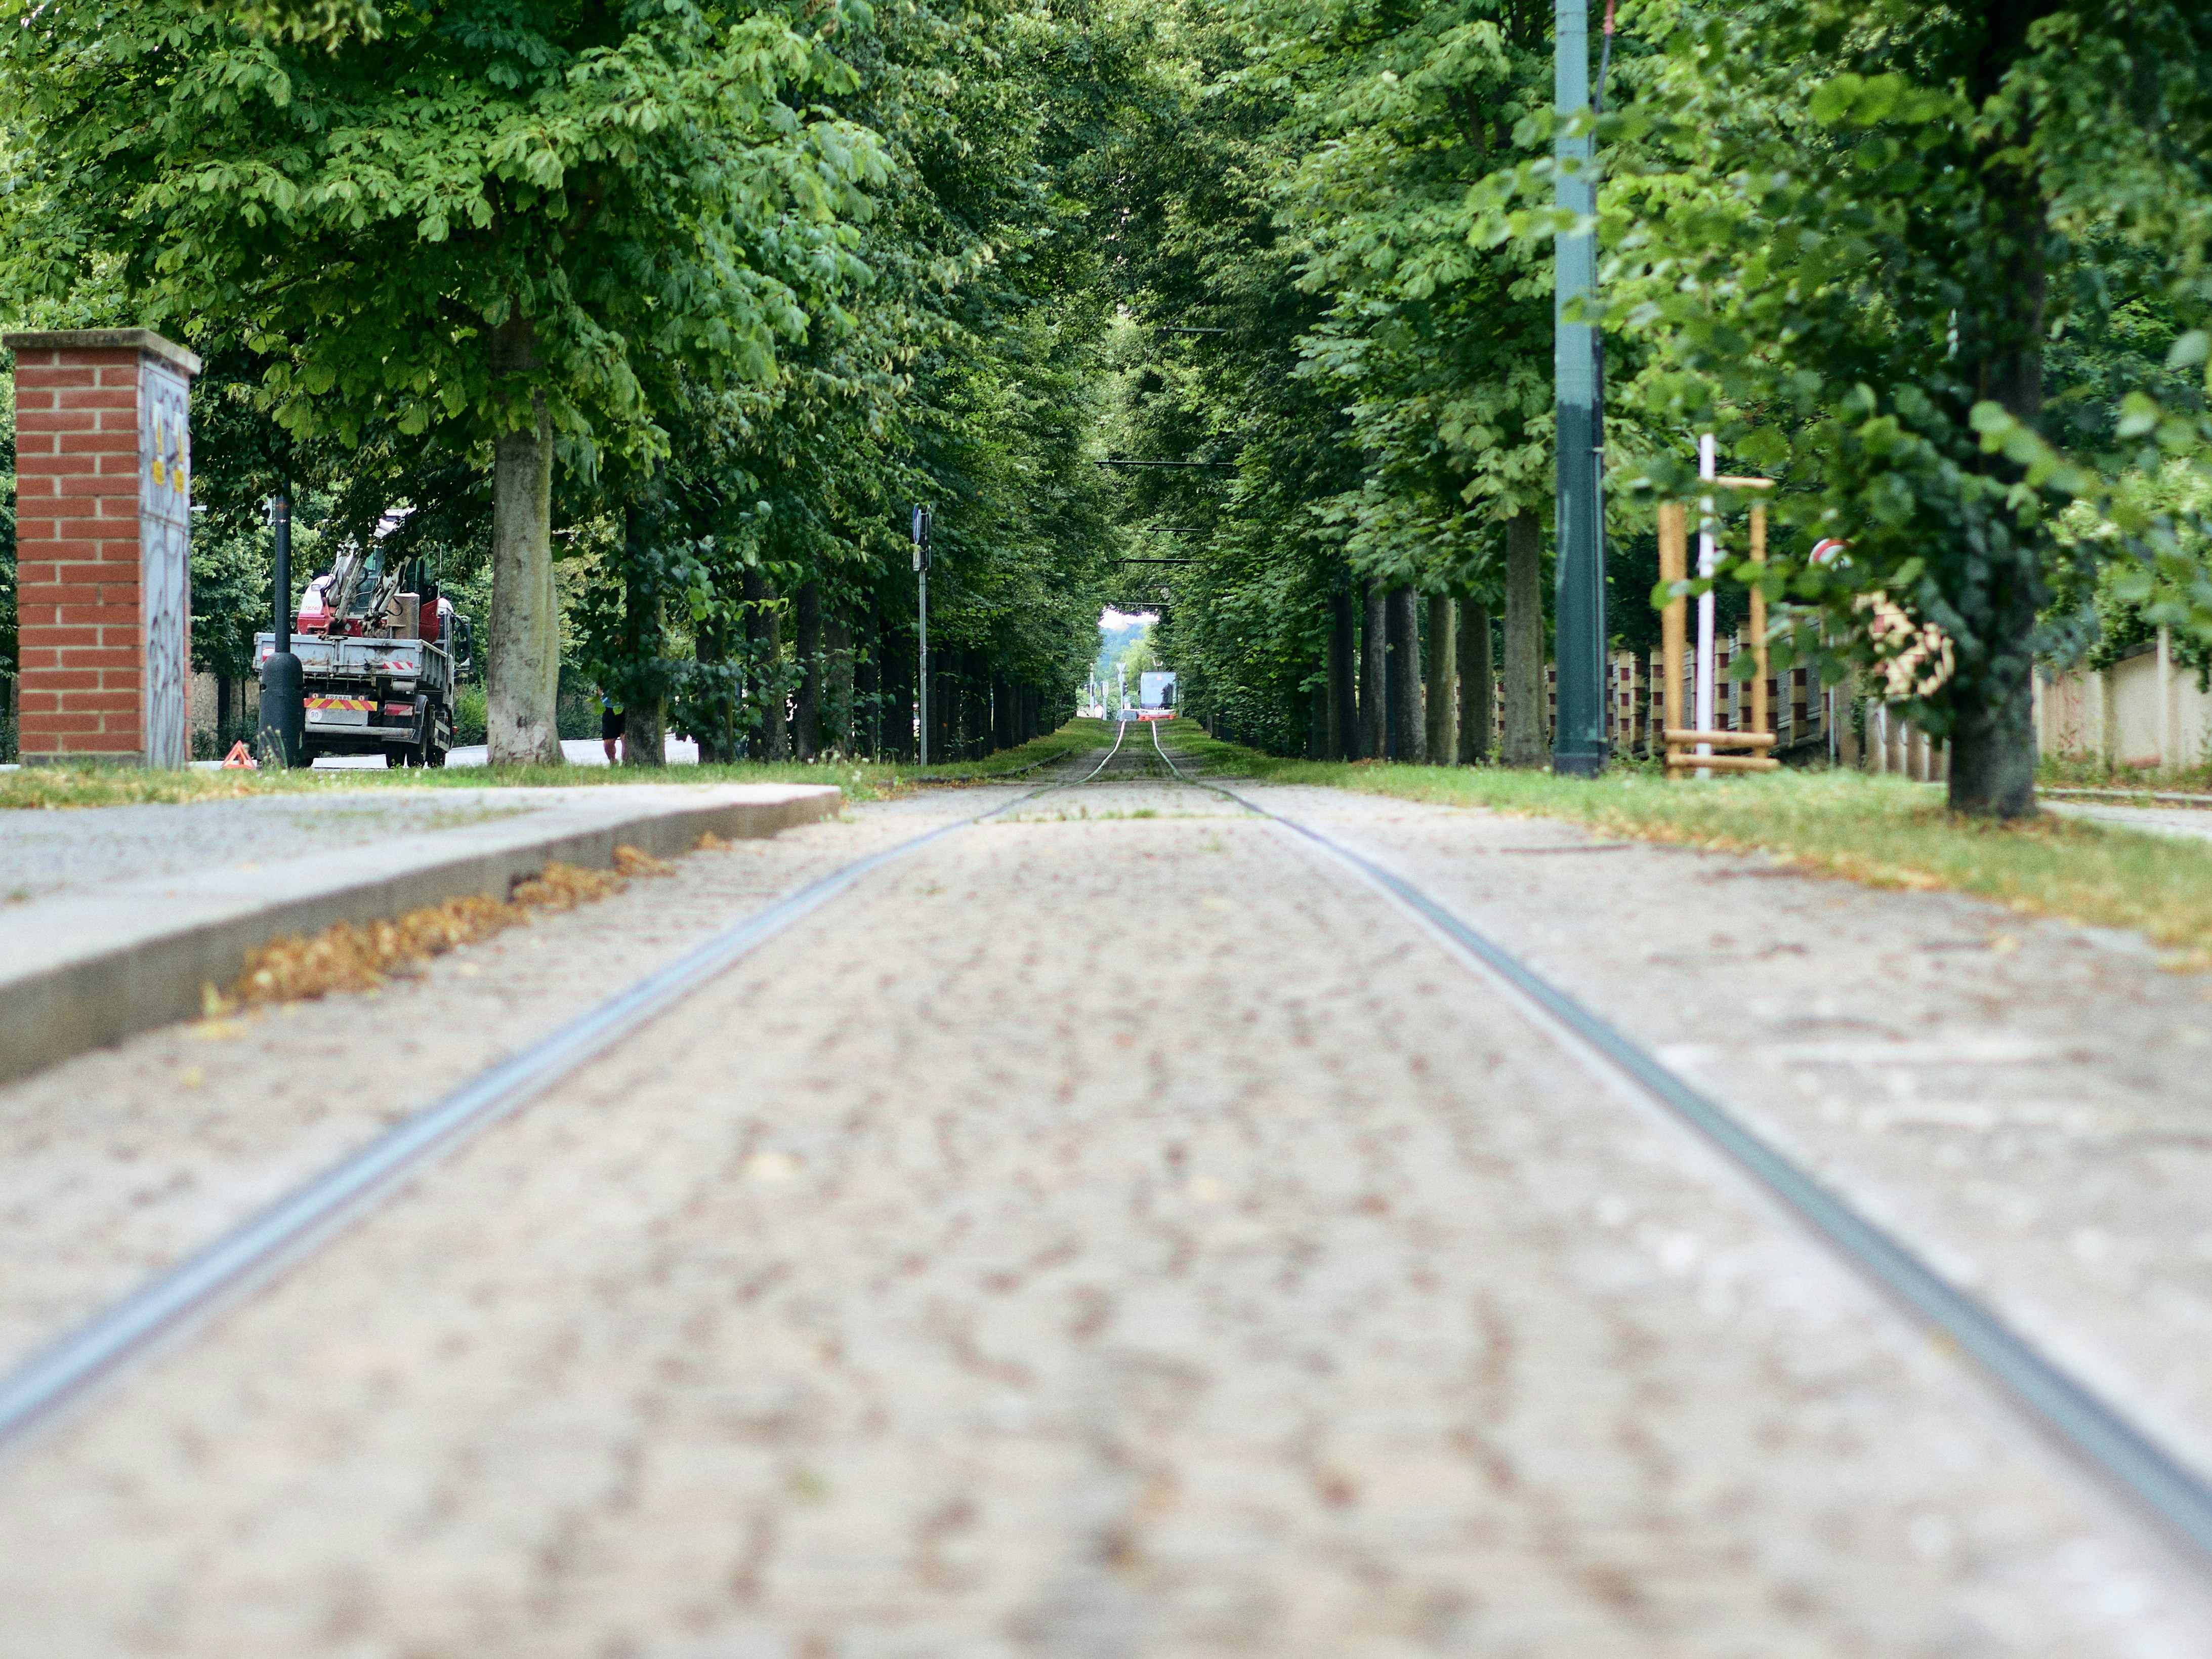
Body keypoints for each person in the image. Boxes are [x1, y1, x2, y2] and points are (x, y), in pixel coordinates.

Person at [599, 691, 625, 763]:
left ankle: (626, 763)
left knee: (625, 738)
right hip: (610, 708)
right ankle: (613, 762)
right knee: (608, 743)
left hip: (627, 707)